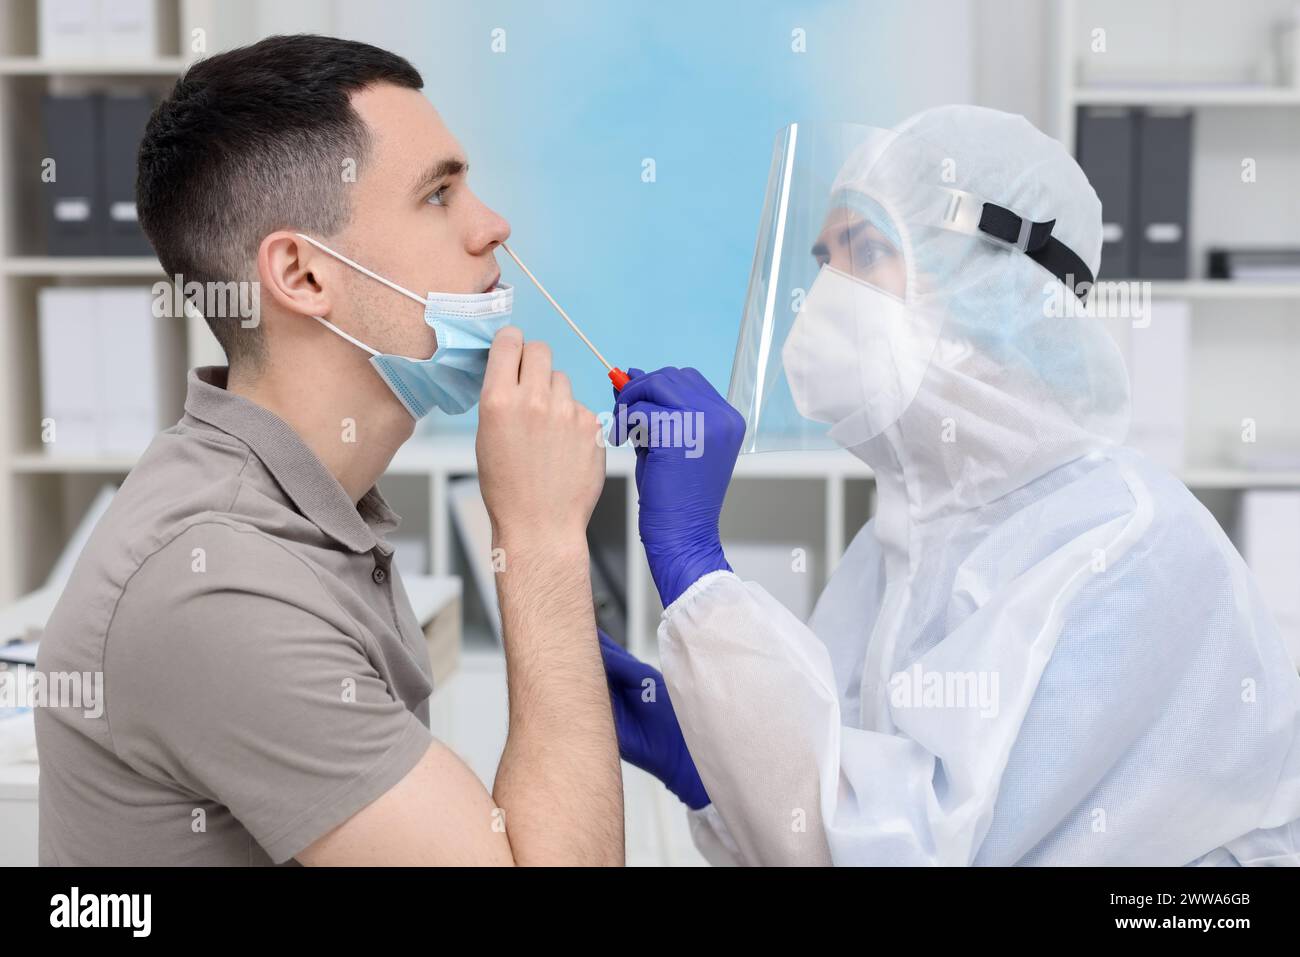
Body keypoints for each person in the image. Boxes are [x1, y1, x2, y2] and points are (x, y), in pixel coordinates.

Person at [607, 105, 1300, 866]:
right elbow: (837, 798)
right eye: (822, 258)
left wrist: (696, 567)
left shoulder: (1124, 544)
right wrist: (704, 760)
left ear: (987, 287)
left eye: (865, 250)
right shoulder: (900, 540)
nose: (828, 291)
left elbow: (904, 853)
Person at [35, 35, 623, 866]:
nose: (492, 225)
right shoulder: (216, 583)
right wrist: (542, 543)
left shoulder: (312, 502)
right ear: (305, 276)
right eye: (438, 194)